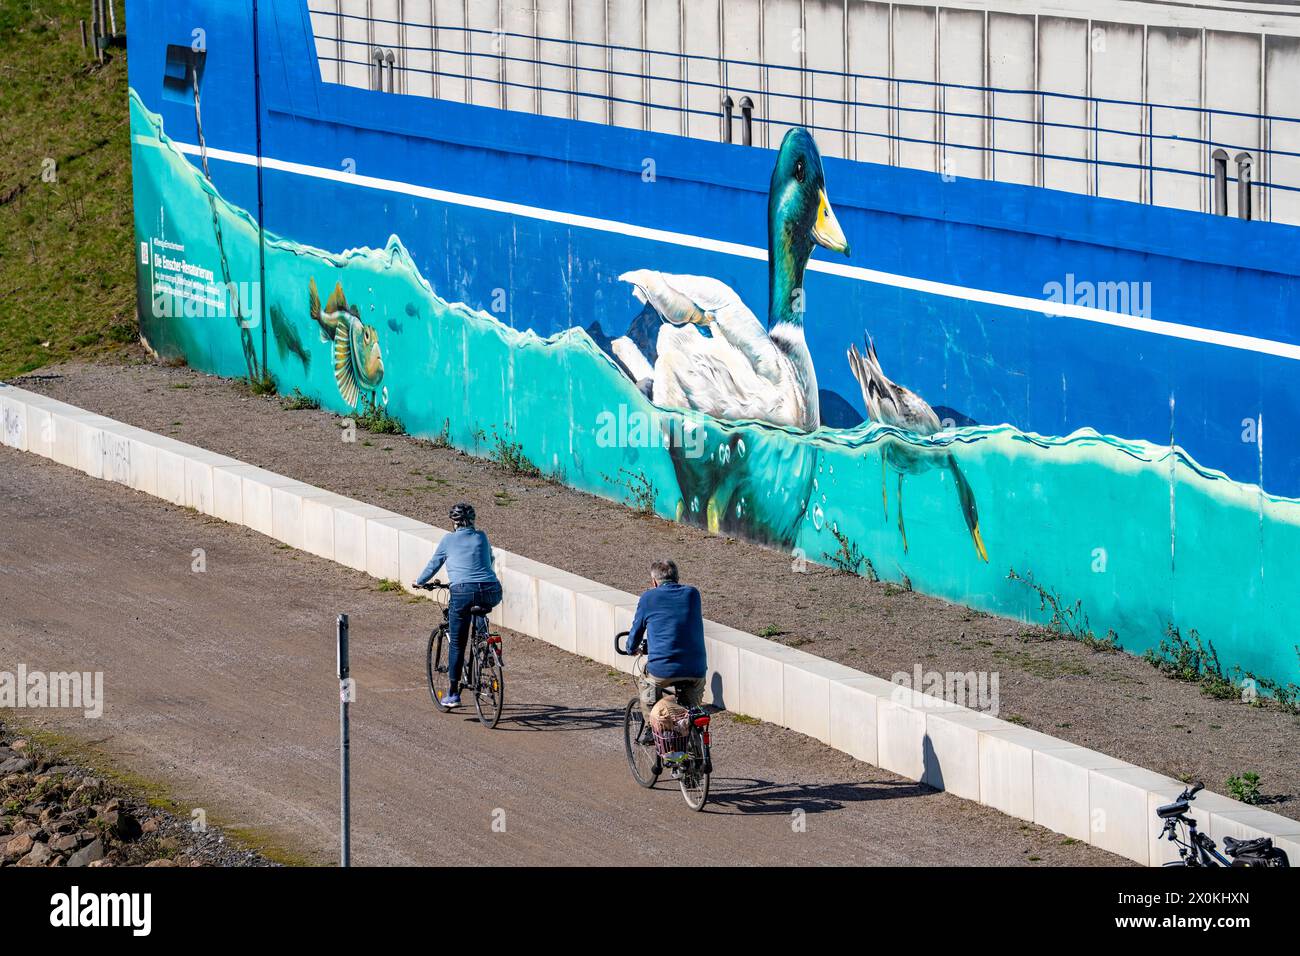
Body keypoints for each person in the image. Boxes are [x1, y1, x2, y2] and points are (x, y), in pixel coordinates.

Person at [413, 502, 502, 708]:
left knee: (458, 644)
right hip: (491, 589)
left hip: (462, 591)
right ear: (473, 521)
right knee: (478, 606)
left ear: (454, 523)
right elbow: (489, 560)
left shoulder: (448, 540)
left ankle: (453, 694)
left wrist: (420, 581)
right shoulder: (482, 536)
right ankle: (485, 644)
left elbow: (434, 564)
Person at [628, 559, 707, 722]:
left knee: (646, 681)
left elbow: (636, 632)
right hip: (696, 669)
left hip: (662, 669)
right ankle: (694, 736)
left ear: (654, 582)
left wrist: (631, 648)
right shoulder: (693, 594)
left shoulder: (648, 598)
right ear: (677, 578)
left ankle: (651, 726)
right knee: (691, 714)